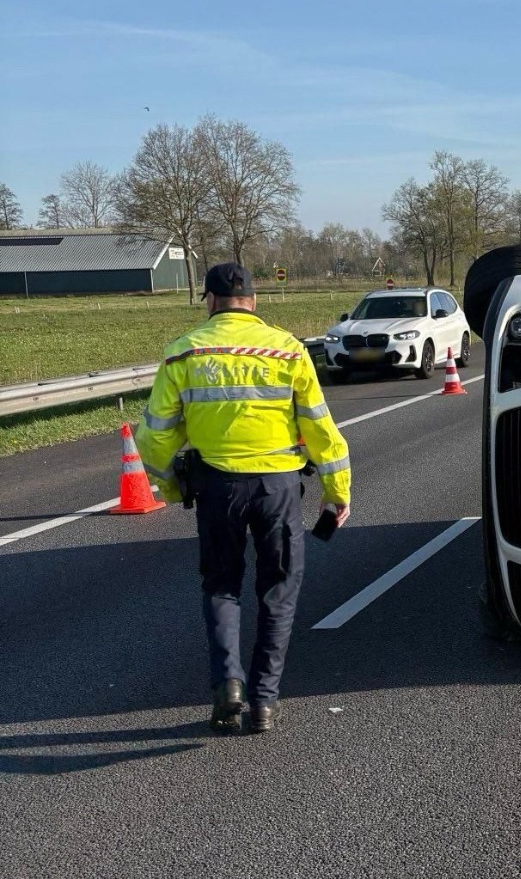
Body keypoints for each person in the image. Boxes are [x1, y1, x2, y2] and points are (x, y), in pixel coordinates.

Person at [136, 263, 351, 735]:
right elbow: (320, 428)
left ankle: (228, 685)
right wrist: (337, 493)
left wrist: (174, 486)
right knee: (278, 591)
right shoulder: (289, 350)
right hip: (278, 487)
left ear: (209, 302)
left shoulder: (182, 354)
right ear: (253, 302)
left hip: (217, 486)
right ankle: (264, 702)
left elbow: (153, 439)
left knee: (221, 586)